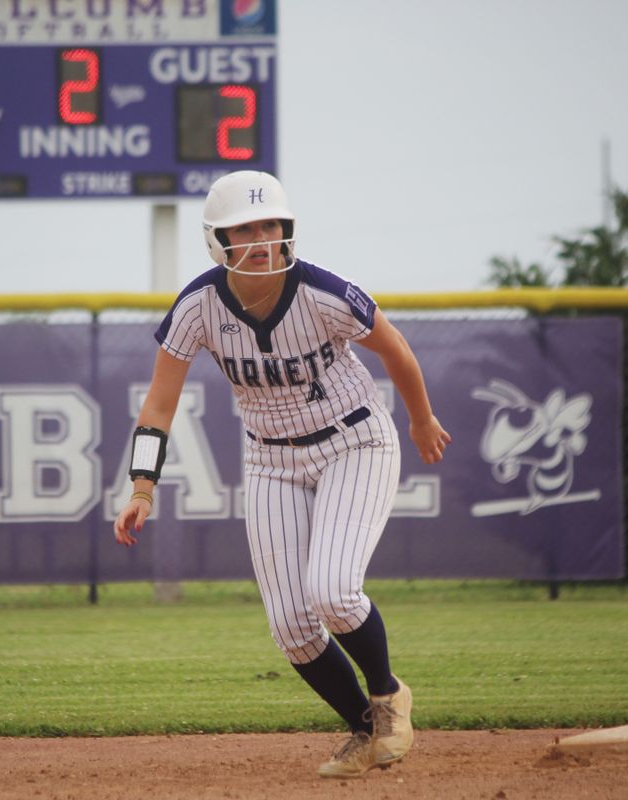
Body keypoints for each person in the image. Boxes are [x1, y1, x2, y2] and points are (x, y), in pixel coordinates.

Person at [113, 170, 451, 778]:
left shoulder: (323, 292)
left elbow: (395, 348)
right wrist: (142, 487)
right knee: (292, 627)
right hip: (270, 458)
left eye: (272, 224)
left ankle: (387, 694)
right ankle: (362, 730)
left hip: (354, 440)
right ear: (218, 240)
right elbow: (159, 403)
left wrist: (421, 419)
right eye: (246, 229)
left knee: (334, 592)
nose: (263, 239)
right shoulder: (198, 306)